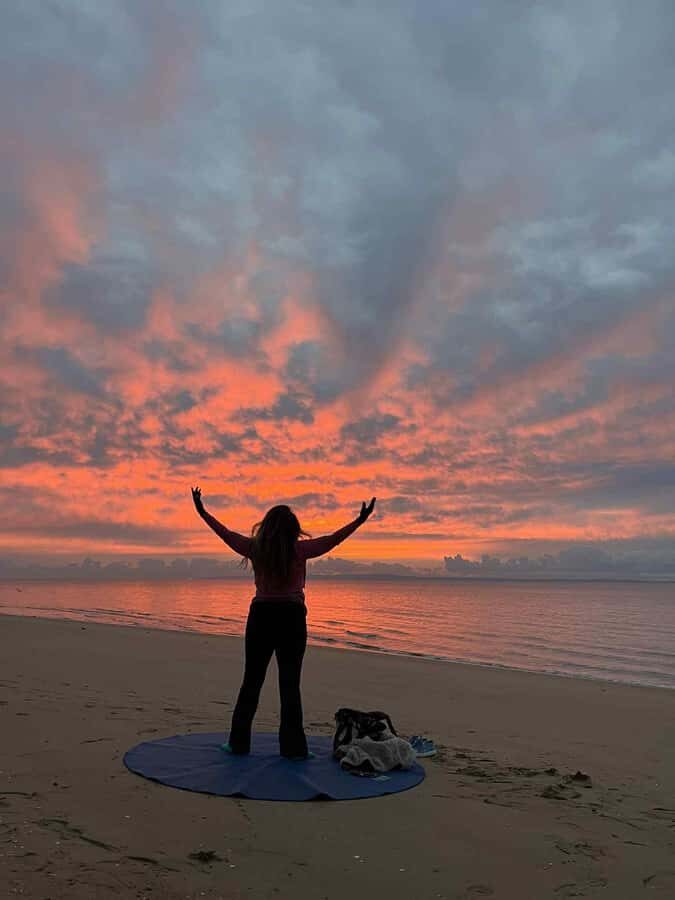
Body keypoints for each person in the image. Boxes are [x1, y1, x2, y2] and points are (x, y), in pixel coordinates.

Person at [191, 487, 376, 760]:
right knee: (289, 685)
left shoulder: (255, 549)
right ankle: (293, 749)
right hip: (291, 618)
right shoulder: (300, 550)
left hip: (261, 618)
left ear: (266, 527)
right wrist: (359, 521)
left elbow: (226, 534)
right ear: (294, 529)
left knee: (251, 683)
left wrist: (202, 511)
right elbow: (333, 539)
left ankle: (238, 743)